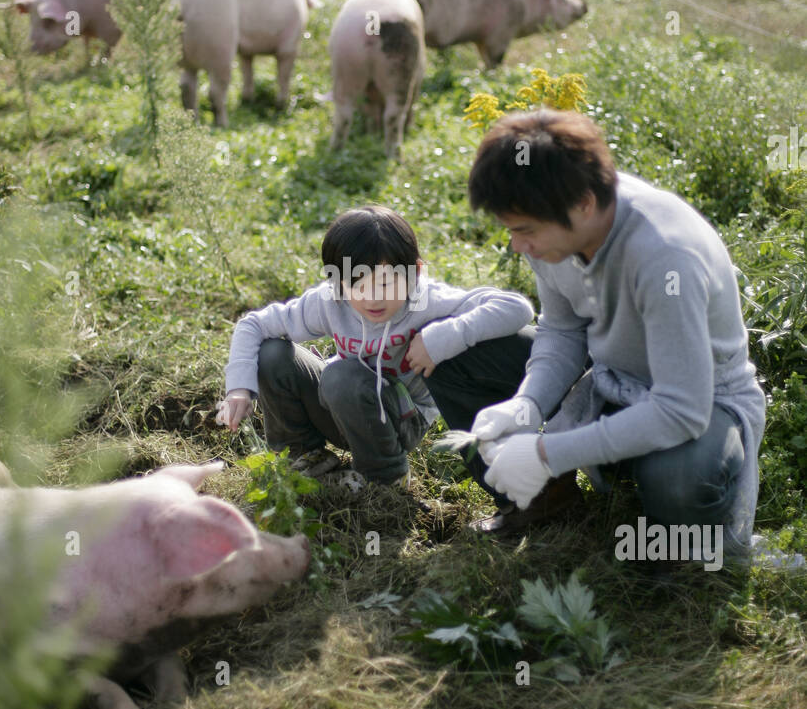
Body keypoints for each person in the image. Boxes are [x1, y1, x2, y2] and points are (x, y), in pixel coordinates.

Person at [449, 107, 765, 557]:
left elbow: (681, 410)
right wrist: (528, 403)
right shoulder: (553, 227)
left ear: (584, 204)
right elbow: (561, 329)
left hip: (703, 401)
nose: (518, 246)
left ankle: (682, 549)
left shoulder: (665, 256)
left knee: (679, 478)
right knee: (460, 358)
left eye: (525, 231)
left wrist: (547, 453)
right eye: (511, 231)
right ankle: (549, 498)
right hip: (611, 380)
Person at [216, 204, 536, 488]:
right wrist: (239, 389)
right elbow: (253, 324)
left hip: (399, 420)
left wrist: (445, 337)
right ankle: (306, 456)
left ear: (416, 273)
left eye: (386, 283)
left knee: (342, 375)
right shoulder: (330, 301)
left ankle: (385, 474)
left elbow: (517, 309)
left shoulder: (427, 301)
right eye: (357, 284)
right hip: (341, 405)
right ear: (336, 280)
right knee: (273, 352)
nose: (373, 298)